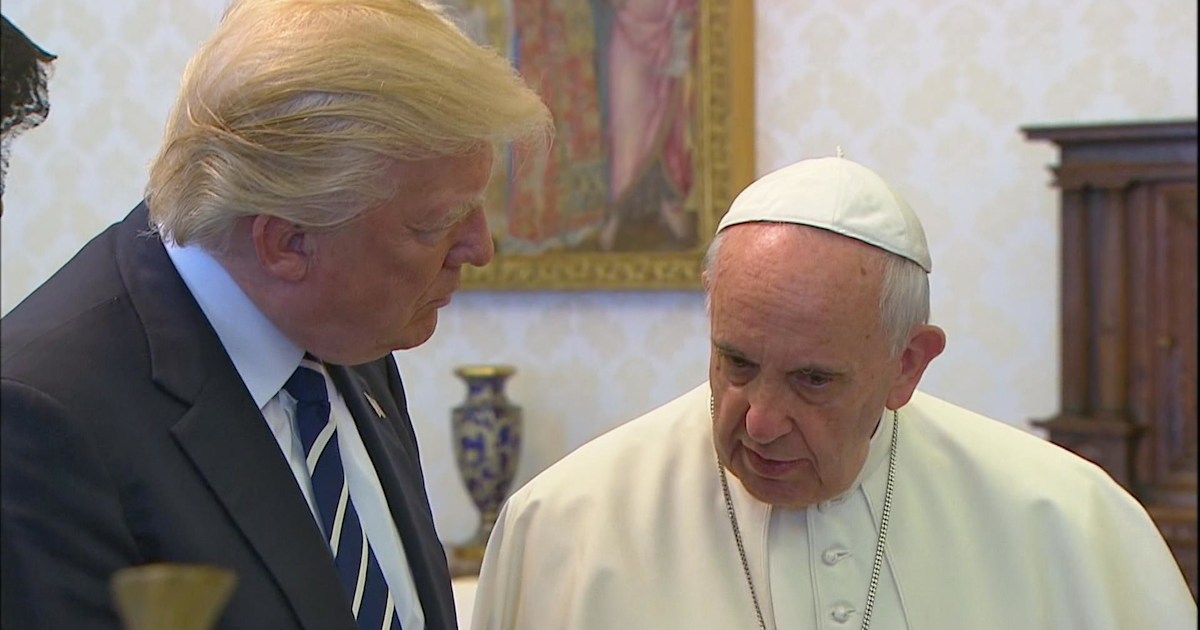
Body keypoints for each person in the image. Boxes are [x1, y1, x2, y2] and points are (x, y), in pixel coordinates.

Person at [0, 0, 551, 628]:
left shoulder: (340, 336)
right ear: (287, 243)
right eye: (436, 223)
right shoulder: (38, 422)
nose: (481, 249)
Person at [469, 156, 1197, 629]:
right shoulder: (563, 524)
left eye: (812, 380)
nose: (758, 421)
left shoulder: (1066, 522)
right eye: (736, 362)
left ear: (907, 365)